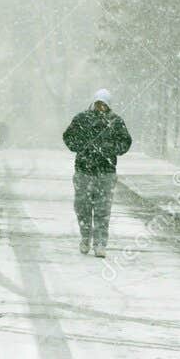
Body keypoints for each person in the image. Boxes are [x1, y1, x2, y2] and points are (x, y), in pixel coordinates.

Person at [62, 89, 132, 258]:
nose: (101, 107)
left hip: (106, 173)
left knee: (103, 210)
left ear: (108, 105)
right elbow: (68, 137)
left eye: (104, 104)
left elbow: (126, 141)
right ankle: (85, 238)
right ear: (94, 103)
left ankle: (100, 243)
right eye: (99, 103)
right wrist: (81, 146)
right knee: (82, 208)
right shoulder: (81, 119)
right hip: (84, 171)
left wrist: (111, 150)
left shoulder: (116, 122)